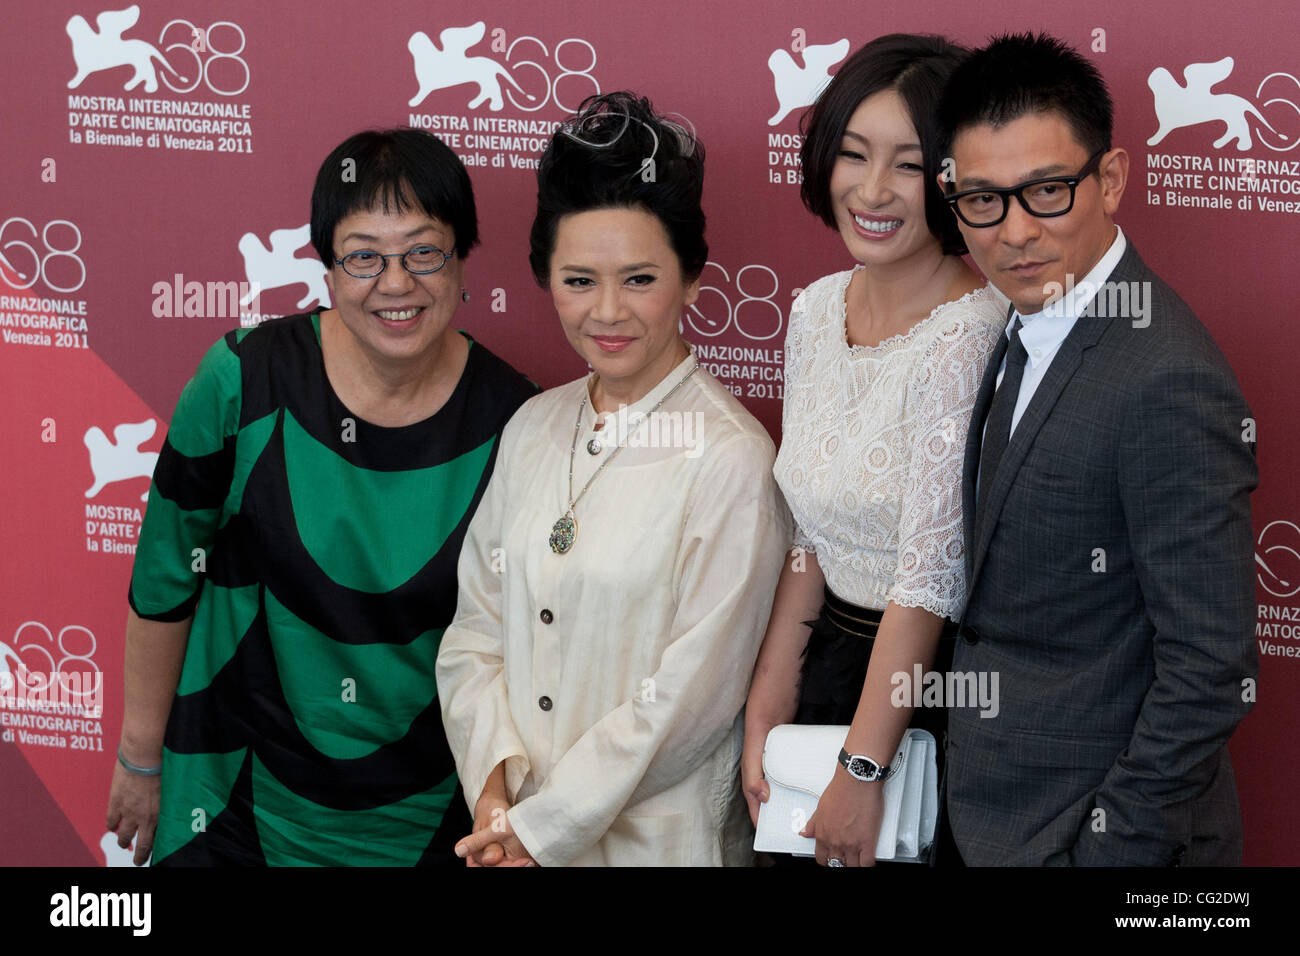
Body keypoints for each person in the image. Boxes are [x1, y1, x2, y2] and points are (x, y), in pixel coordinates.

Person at [104, 128, 537, 865]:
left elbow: (518, 651)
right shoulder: (242, 380)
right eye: (364, 255)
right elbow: (165, 581)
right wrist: (141, 761)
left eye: (424, 252)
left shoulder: (518, 420)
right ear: (328, 269)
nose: (395, 283)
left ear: (463, 257)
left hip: (429, 814)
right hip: (231, 791)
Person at [435, 91, 790, 867]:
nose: (607, 312)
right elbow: (476, 632)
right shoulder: (534, 426)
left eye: (638, 279)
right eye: (577, 280)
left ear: (692, 280)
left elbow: (693, 698)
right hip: (511, 835)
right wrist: (496, 796)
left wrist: (544, 829)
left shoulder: (730, 457)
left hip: (660, 847)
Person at [936, 33, 1258, 865]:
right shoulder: (1028, 318)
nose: (1014, 232)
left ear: (1110, 178)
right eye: (981, 200)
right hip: (989, 811)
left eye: (1047, 191)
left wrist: (1110, 853)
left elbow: (1209, 665)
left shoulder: (1165, 375)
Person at [742, 34, 1007, 867]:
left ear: (955, 179)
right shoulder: (814, 309)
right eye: (853, 155)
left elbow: (929, 578)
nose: (872, 189)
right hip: (825, 667)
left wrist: (863, 765)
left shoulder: (974, 333)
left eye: (908, 163)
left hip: (926, 693)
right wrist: (764, 711)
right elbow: (811, 534)